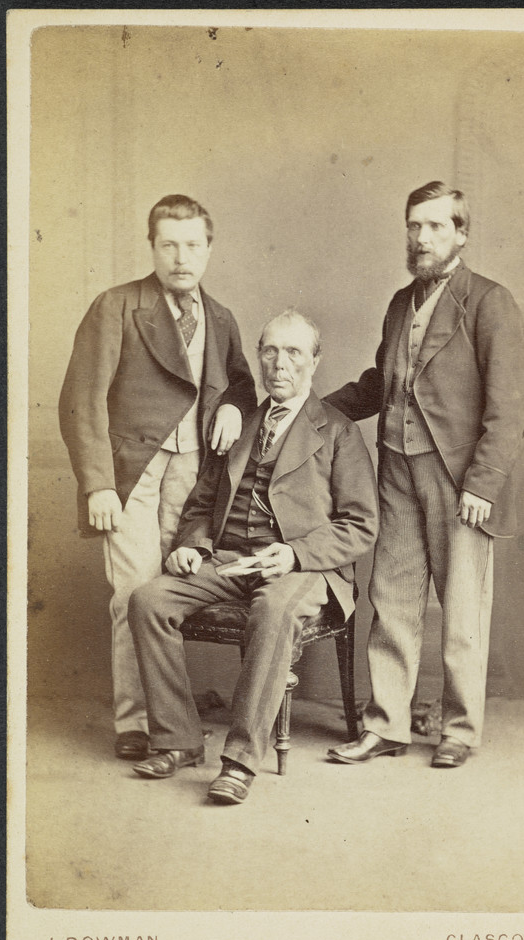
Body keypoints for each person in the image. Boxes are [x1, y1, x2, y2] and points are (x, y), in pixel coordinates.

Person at [126, 310, 379, 804]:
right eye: (270, 351)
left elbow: (360, 524)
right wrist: (191, 546)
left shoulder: (338, 431)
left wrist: (294, 552)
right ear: (259, 357)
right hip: (230, 559)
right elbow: (201, 503)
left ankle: (240, 760)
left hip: (308, 567)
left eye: (293, 352)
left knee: (275, 609)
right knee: (147, 601)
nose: (279, 364)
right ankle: (179, 740)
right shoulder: (240, 423)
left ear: (315, 362)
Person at [325, 180, 524, 769]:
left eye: (436, 226)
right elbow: (380, 383)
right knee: (391, 600)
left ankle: (460, 730)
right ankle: (386, 724)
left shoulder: (489, 302)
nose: (422, 238)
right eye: (415, 226)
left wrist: (482, 484)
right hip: (396, 470)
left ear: (460, 234)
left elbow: (510, 408)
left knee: (462, 609)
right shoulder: (400, 302)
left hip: (459, 478)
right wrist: (317, 413)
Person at [59, 195, 257, 761]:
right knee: (134, 593)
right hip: (133, 474)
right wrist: (98, 483)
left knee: (171, 591)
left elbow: (239, 383)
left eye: (192, 244)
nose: (180, 257)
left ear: (209, 249)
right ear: (152, 247)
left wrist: (234, 408)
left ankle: (173, 719)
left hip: (195, 474)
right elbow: (81, 399)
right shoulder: (117, 306)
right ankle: (136, 722)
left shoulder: (219, 318)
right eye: (168, 244)